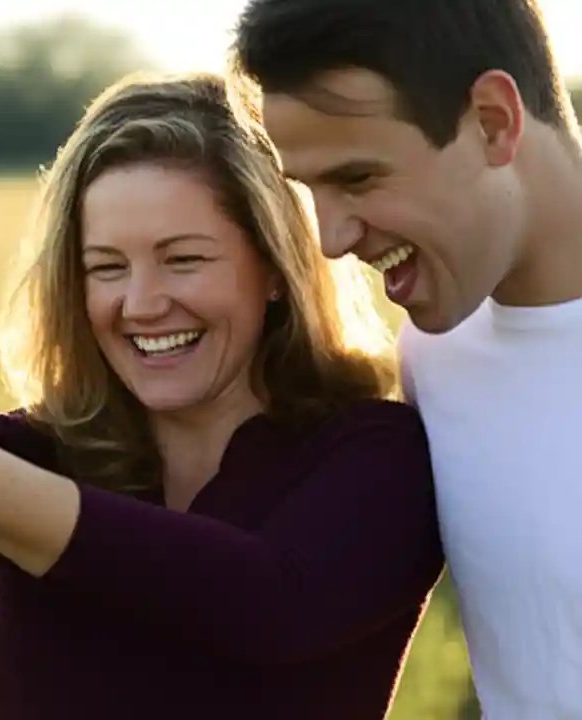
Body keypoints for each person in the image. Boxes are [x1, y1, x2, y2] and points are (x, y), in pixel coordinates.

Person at [0, 72, 444, 719]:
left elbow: (269, 606)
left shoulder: (375, 457)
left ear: (276, 268)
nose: (141, 304)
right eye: (106, 268)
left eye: (183, 260)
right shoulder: (52, 451)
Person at [231, 1, 582, 716]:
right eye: (310, 189)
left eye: (357, 179)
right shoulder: (436, 356)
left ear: (492, 120)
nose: (330, 239)